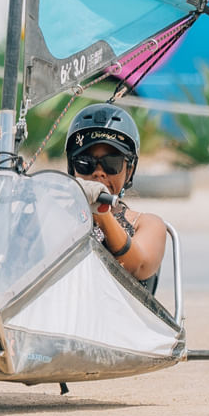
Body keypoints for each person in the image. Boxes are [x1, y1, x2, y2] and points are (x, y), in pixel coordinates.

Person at [64, 103, 167, 286]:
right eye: (85, 162)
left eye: (111, 163)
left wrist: (101, 212)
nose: (99, 172)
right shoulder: (56, 217)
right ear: (72, 168)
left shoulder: (147, 224)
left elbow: (138, 266)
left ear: (129, 170)